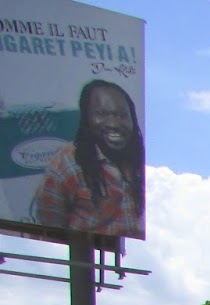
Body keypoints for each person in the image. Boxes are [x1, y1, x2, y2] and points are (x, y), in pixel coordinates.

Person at [31, 81, 145, 238]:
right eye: (102, 114)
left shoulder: (141, 162)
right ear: (87, 119)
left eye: (122, 115)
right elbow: (50, 228)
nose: (113, 124)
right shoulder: (66, 165)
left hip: (132, 256)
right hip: (79, 255)